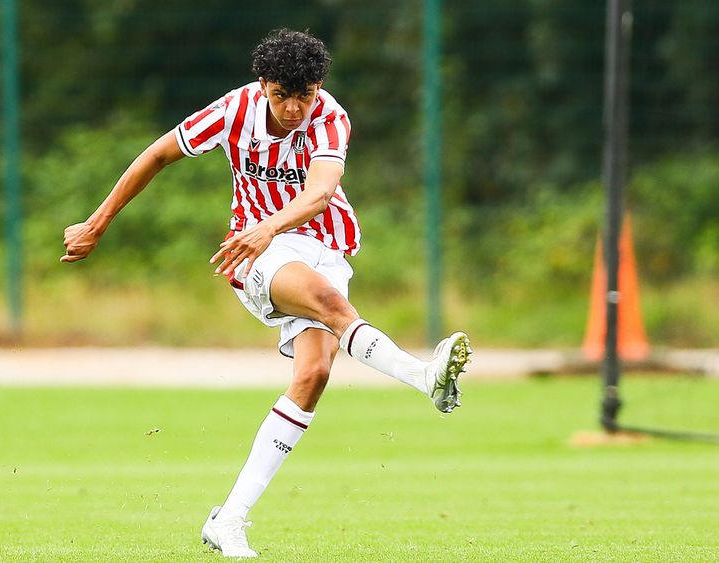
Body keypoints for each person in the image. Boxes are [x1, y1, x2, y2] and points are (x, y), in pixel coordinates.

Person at [60, 28, 471, 558]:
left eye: (305, 95)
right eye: (283, 95)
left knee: (314, 374)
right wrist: (97, 223)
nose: (295, 108)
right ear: (264, 85)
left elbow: (322, 192)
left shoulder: (330, 116)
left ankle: (228, 520)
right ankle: (423, 376)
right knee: (328, 305)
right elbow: (158, 155)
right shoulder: (234, 110)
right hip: (256, 253)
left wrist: (272, 225)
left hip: (320, 246)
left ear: (318, 88)